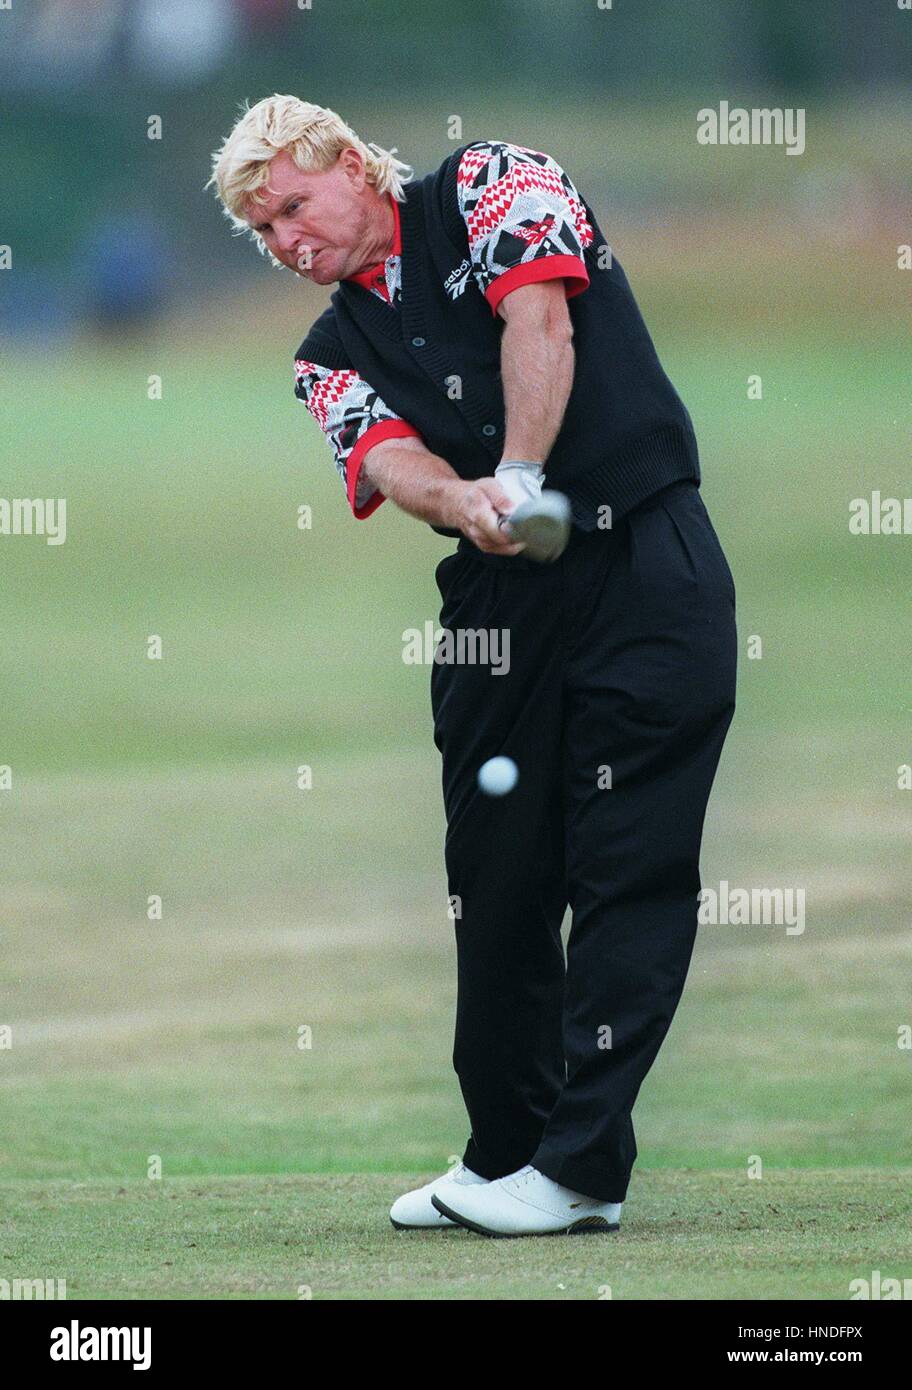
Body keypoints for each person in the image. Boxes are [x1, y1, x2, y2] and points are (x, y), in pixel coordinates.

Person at [209, 96, 737, 1237]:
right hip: (500, 604)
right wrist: (468, 502)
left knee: (624, 868)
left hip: (644, 556)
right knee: (491, 881)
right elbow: (392, 459)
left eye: (295, 206)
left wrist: (525, 475)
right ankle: (509, 1151)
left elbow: (536, 322)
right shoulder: (326, 356)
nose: (287, 243)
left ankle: (581, 1168)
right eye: (265, 234)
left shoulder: (495, 180)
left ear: (350, 163)